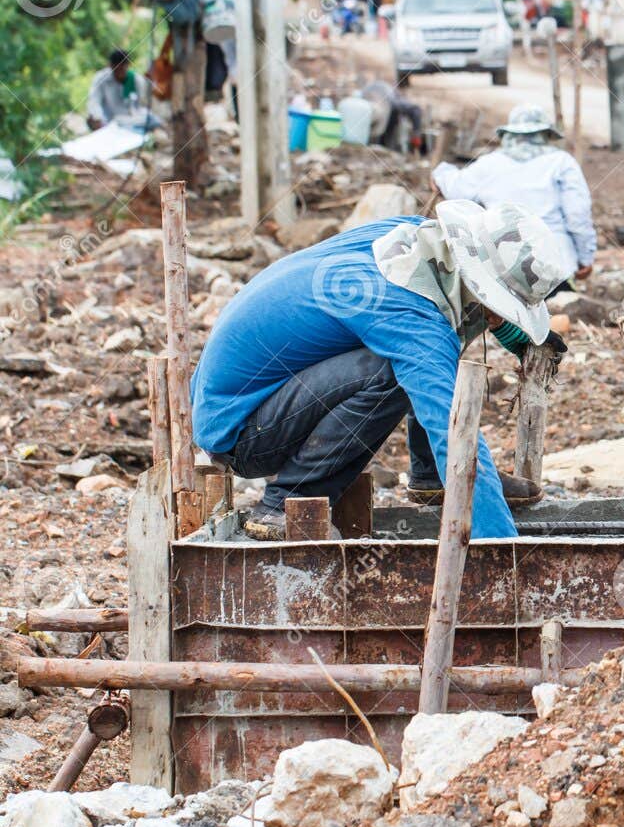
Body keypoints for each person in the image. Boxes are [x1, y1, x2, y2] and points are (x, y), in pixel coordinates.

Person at [190, 202, 567, 541]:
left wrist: (508, 328)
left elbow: (451, 317)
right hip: (243, 431)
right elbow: (452, 430)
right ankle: (289, 500)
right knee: (393, 371)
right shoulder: (409, 315)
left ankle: (431, 478)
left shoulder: (410, 237)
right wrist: (502, 547)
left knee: (426, 354)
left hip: (240, 399)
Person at [432, 104, 596, 282]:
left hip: (502, 268)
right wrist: (585, 257)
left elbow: (455, 188)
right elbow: (577, 215)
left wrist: (441, 173)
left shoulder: (489, 164)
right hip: (555, 265)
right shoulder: (562, 162)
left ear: (508, 135)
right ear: (546, 135)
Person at [86, 49, 148, 130]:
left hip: (134, 122)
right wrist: (97, 117)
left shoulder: (136, 80)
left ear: (128, 65)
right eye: (116, 69)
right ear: (110, 66)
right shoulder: (101, 79)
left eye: (122, 68)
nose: (119, 72)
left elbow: (142, 105)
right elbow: (94, 101)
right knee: (91, 119)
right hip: (109, 124)